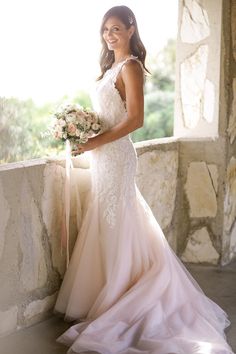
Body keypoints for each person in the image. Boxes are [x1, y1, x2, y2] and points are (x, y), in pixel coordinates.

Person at [53, 5, 234, 354]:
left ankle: (125, 296)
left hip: (117, 158)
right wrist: (82, 127)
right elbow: (110, 115)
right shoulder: (109, 69)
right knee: (108, 223)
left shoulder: (131, 66)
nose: (110, 34)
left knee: (119, 220)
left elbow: (135, 120)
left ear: (132, 29)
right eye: (106, 29)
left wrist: (94, 141)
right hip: (102, 157)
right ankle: (109, 291)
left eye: (117, 28)